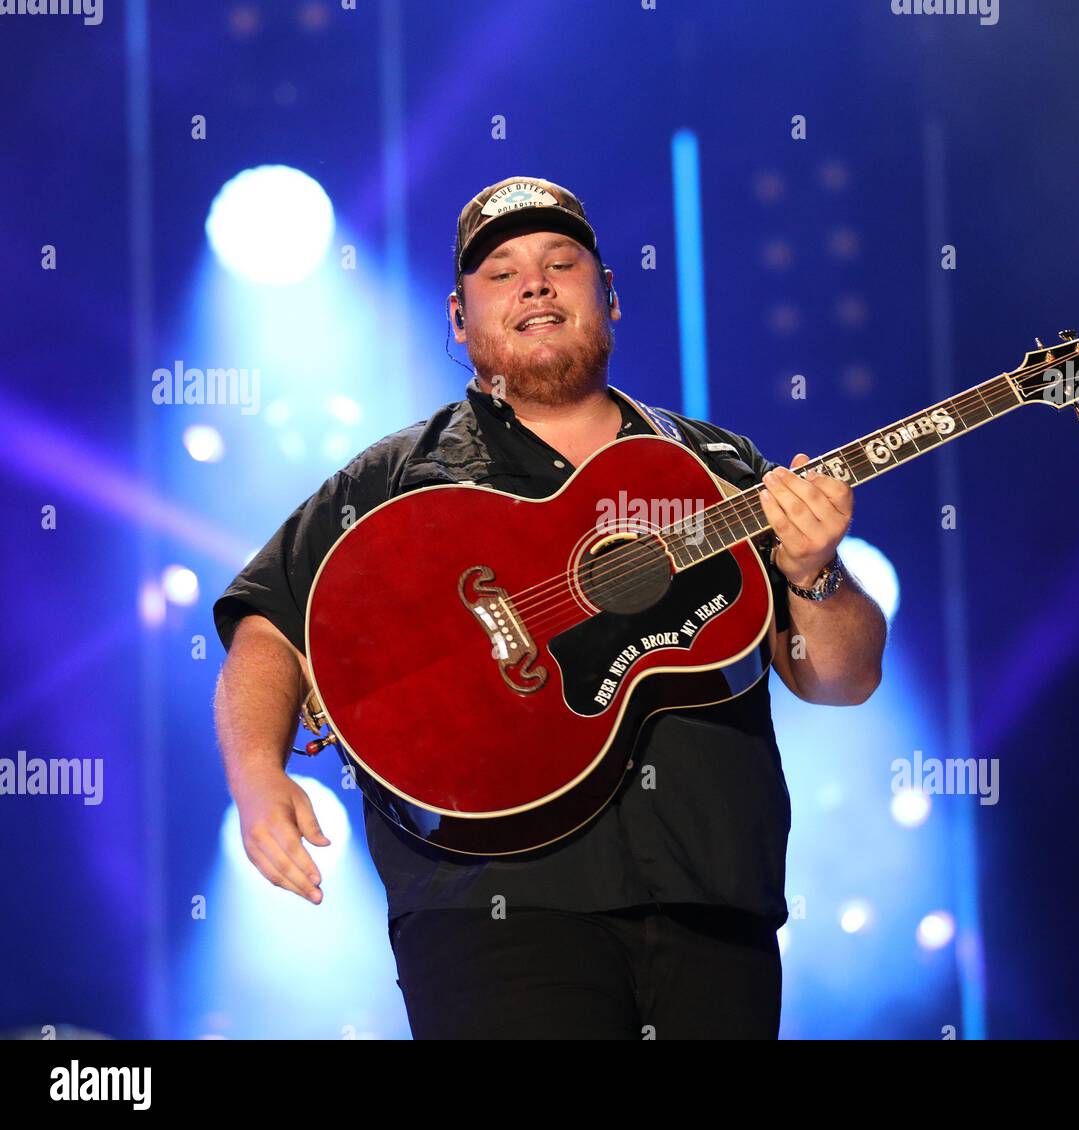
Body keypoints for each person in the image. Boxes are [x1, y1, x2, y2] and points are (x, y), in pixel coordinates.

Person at [212, 176, 887, 1039]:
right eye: (501, 272)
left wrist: (817, 573)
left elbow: (841, 679)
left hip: (712, 902)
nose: (534, 283)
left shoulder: (717, 467)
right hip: (486, 905)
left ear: (607, 297)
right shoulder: (392, 481)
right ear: (459, 320)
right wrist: (257, 778)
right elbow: (270, 625)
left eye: (561, 263)